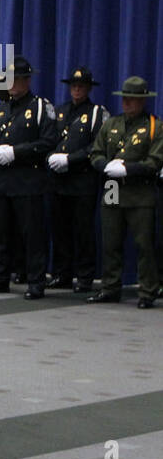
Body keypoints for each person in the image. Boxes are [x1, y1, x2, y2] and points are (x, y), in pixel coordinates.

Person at [0, 56, 59, 299]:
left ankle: (35, 281)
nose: (11, 84)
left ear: (27, 80)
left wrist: (16, 152)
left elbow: (48, 141)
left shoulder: (41, 107)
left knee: (32, 235)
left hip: (28, 180)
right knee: (0, 234)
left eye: (16, 80)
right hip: (1, 182)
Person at [88, 77, 163, 307]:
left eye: (133, 100)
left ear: (142, 101)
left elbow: (155, 161)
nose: (128, 103)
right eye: (125, 99)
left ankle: (148, 291)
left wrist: (128, 168)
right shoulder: (111, 124)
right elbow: (96, 152)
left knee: (144, 244)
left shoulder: (154, 126)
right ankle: (110, 287)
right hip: (112, 188)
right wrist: (104, 165)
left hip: (139, 192)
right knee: (110, 241)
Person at [48, 67, 108, 293]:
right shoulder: (59, 110)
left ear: (89, 88)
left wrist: (71, 159)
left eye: (81, 86)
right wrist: (51, 157)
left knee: (83, 230)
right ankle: (62, 273)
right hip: (58, 180)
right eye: (73, 86)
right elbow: (49, 138)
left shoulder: (96, 113)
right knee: (59, 229)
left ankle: (84, 276)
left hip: (82, 180)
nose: (76, 90)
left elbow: (97, 146)